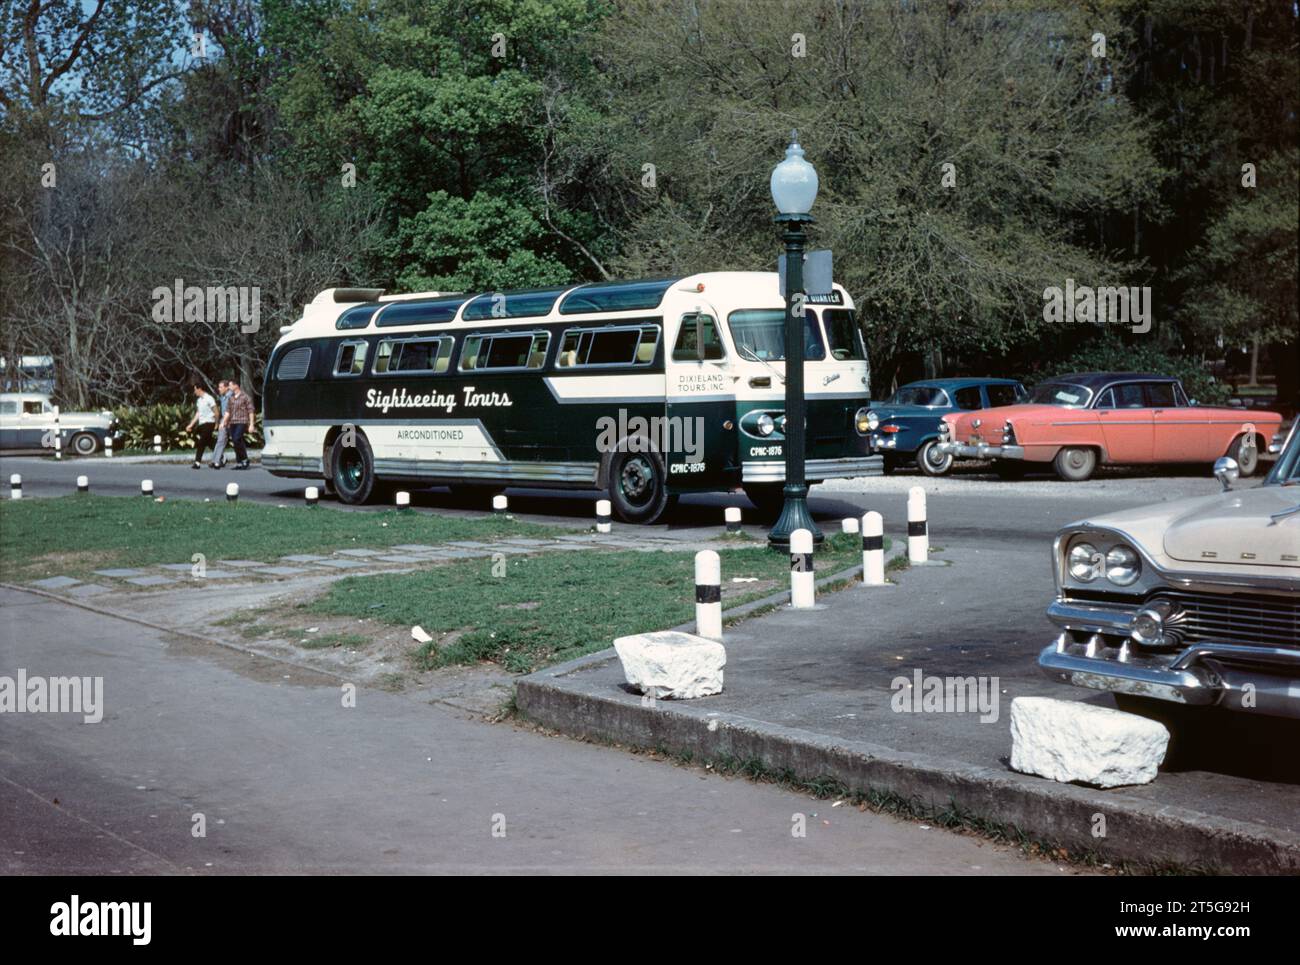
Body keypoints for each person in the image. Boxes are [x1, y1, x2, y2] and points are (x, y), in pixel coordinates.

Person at [185, 380, 218, 469]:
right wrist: (191, 424)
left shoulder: (209, 398)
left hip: (210, 423)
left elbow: (216, 411)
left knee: (201, 443)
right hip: (202, 424)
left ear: (200, 389)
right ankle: (221, 457)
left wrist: (217, 423)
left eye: (195, 390)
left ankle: (197, 462)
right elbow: (198, 413)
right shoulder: (199, 401)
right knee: (209, 442)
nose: (194, 392)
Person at [224, 380, 254, 470]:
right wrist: (224, 422)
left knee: (237, 439)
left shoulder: (245, 397)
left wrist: (251, 424)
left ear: (236, 385)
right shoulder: (231, 398)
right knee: (236, 441)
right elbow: (228, 411)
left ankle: (244, 459)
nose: (229, 388)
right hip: (232, 422)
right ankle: (239, 462)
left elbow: (251, 411)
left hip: (242, 421)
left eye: (230, 385)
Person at [209, 380, 232, 468]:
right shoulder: (223, 397)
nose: (219, 389)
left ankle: (243, 460)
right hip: (224, 421)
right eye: (219, 387)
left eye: (221, 387)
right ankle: (215, 461)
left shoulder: (231, 396)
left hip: (232, 421)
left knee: (238, 441)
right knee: (220, 440)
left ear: (227, 387)